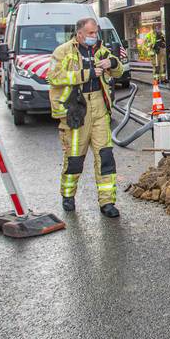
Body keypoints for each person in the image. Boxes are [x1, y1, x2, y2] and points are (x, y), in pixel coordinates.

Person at [46, 17, 126, 218]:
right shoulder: (63, 51)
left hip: (99, 106)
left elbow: (119, 71)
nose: (94, 36)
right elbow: (54, 77)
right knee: (74, 158)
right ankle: (68, 196)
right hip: (76, 108)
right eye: (90, 33)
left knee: (105, 157)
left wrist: (113, 62)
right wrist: (87, 73)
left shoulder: (101, 49)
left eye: (96, 32)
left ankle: (107, 202)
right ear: (79, 34)